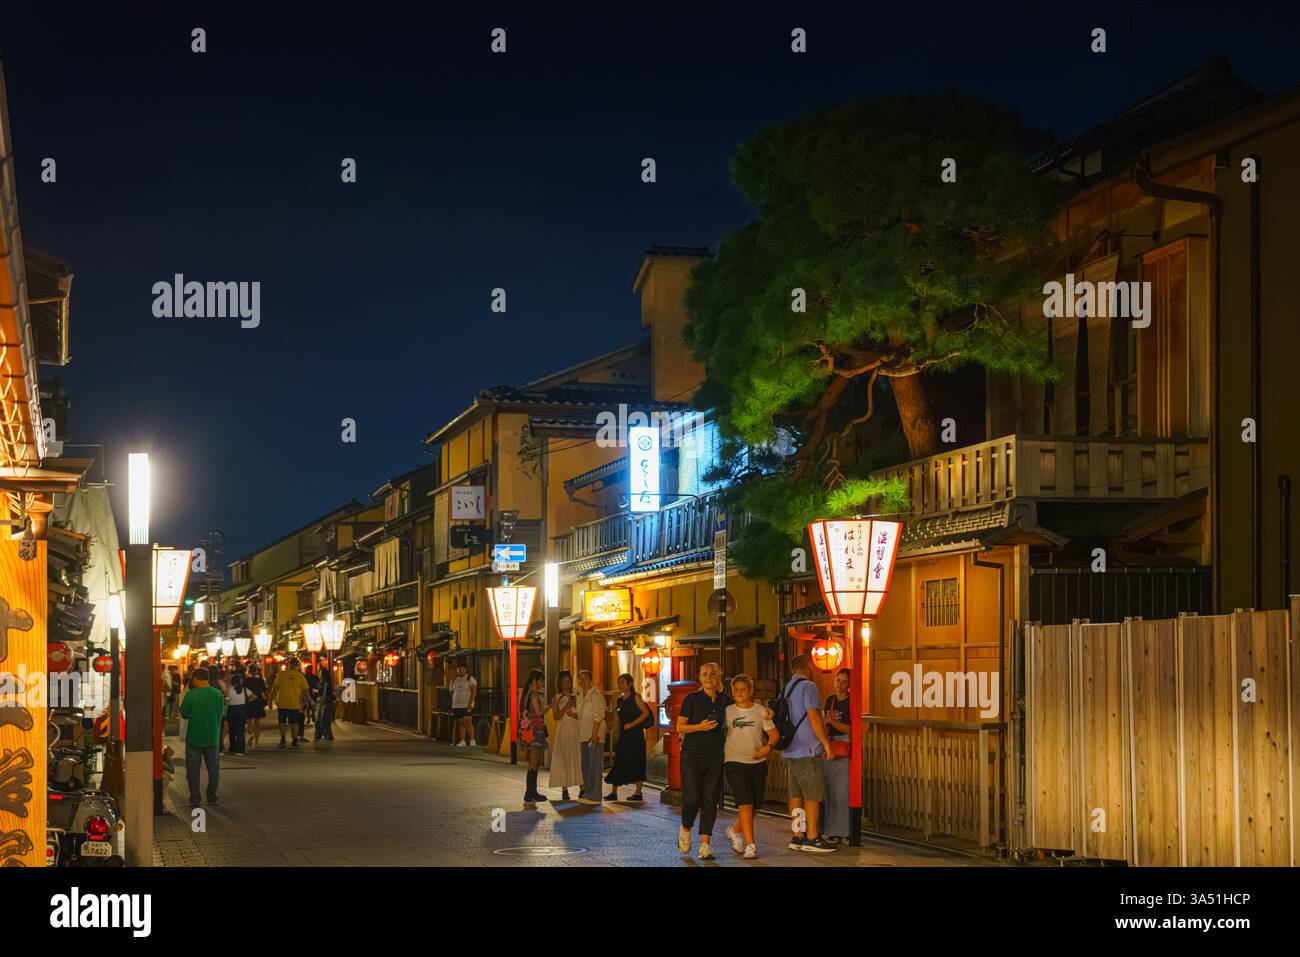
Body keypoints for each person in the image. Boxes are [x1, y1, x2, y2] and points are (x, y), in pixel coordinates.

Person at [779, 654, 838, 852]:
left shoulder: (786, 688)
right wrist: (826, 743)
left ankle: (797, 836)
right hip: (808, 748)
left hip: (790, 749)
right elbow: (813, 715)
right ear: (809, 666)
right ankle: (812, 838)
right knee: (812, 794)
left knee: (795, 793)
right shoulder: (809, 686)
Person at [676, 662, 731, 859]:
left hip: (715, 755)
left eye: (713, 674)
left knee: (710, 800)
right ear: (700, 678)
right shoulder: (691, 699)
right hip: (692, 755)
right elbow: (680, 727)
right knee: (691, 798)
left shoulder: (725, 700)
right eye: (705, 674)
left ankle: (705, 844)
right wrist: (699, 726)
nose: (709, 678)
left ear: (719, 677)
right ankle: (685, 827)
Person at [722, 674, 778, 858]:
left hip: (757, 763)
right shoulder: (727, 711)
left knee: (754, 807)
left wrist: (767, 749)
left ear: (750, 691)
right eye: (736, 690)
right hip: (734, 762)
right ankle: (751, 845)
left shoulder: (760, 711)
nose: (739, 693)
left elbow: (774, 735)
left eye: (743, 689)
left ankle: (733, 830)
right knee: (745, 804)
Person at [178, 667, 225, 806]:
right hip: (212, 736)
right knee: (213, 769)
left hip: (194, 737)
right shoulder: (217, 694)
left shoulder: (192, 694)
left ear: (196, 679)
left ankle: (195, 798)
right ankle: (212, 796)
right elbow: (220, 713)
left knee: (193, 770)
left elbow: (184, 713)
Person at [605, 673, 651, 802]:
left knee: (637, 760)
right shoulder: (620, 700)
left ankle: (638, 792)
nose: (620, 685)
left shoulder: (636, 697)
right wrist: (613, 724)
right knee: (619, 760)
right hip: (624, 734)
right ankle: (614, 792)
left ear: (630, 684)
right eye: (619, 682)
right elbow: (618, 716)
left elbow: (646, 713)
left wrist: (633, 723)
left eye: (623, 682)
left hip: (635, 734)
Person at [822, 668, 853, 843]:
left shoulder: (850, 702)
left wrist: (832, 721)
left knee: (842, 793)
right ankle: (832, 830)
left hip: (842, 745)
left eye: (844, 682)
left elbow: (852, 729)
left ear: (849, 685)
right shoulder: (830, 700)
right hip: (829, 745)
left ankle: (845, 831)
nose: (840, 685)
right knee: (830, 792)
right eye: (838, 680)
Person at [548, 671, 582, 800]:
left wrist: (575, 710)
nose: (567, 685)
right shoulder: (557, 698)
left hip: (576, 729)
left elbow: (582, 714)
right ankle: (564, 788)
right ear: (560, 683)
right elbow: (555, 716)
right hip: (563, 730)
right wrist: (567, 706)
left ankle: (582, 786)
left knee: (577, 756)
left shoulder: (577, 695)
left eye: (569, 682)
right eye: (564, 682)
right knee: (563, 757)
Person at [574, 670, 606, 805]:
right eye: (580, 679)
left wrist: (595, 733)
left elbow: (599, 714)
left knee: (595, 765)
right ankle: (588, 791)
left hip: (594, 734)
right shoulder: (580, 695)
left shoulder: (595, 694)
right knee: (586, 765)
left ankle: (595, 794)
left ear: (590, 679)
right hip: (583, 734)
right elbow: (582, 715)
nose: (582, 681)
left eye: (585, 678)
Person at [518, 669, 549, 804]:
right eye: (541, 681)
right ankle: (530, 792)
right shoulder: (534, 695)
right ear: (535, 681)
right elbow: (539, 713)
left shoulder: (526, 693)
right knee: (534, 762)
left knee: (533, 761)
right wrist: (550, 706)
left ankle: (531, 792)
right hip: (535, 732)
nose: (543, 683)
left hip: (527, 731)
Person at [269, 657, 310, 749]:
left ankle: (283, 739)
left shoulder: (281, 675)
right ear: (297, 666)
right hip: (294, 703)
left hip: (282, 702)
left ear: (289, 665)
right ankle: (294, 741)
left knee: (282, 722)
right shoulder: (300, 676)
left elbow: (274, 688)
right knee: (294, 723)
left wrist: (270, 700)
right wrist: (306, 702)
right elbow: (305, 691)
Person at [449, 664, 478, 747]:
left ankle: (472, 739)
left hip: (466, 704)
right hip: (456, 705)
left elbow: (474, 692)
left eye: (462, 669)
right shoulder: (454, 679)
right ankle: (462, 741)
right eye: (459, 669)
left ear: (465, 670)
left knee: (468, 721)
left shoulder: (470, 678)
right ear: (457, 670)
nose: (460, 670)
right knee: (461, 722)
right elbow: (451, 691)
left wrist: (470, 704)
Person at [224, 670, 249, 755]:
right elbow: (254, 697)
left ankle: (232, 748)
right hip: (242, 709)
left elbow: (226, 699)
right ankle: (240, 749)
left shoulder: (230, 690)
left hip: (232, 710)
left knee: (232, 730)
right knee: (240, 730)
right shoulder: (245, 689)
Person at [243, 669, 268, 748]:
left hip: (249, 701)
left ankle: (251, 734)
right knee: (257, 722)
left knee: (248, 720)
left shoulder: (245, 680)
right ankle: (256, 742)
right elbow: (264, 690)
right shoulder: (259, 680)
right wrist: (268, 699)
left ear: (248, 671)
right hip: (258, 701)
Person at [314, 667, 336, 741]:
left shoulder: (326, 683)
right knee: (322, 720)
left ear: (323, 675)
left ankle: (327, 735)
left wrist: (319, 702)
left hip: (325, 703)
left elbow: (324, 694)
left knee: (324, 720)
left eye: (320, 673)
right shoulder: (323, 682)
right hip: (323, 703)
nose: (319, 675)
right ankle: (326, 735)